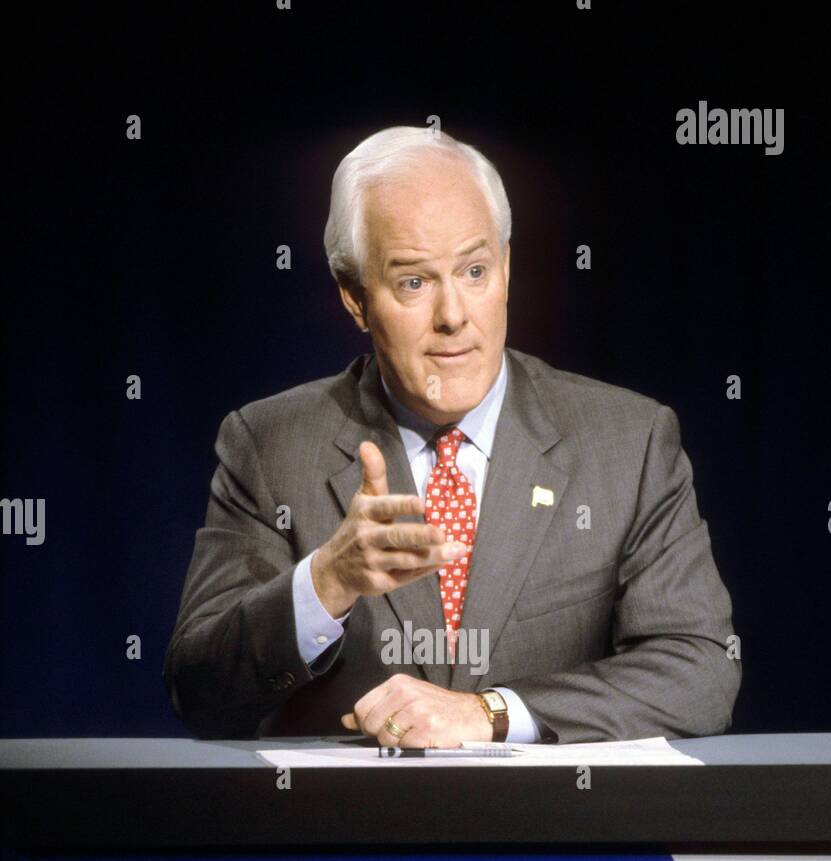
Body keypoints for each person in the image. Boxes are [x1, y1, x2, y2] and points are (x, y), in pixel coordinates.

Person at [163, 126, 741, 746]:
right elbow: (200, 694)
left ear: (507, 265)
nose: (453, 316)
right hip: (351, 837)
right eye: (414, 282)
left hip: (557, 837)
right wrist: (325, 581)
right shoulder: (269, 445)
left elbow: (700, 671)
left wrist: (488, 713)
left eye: (474, 270)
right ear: (356, 299)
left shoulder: (628, 442)